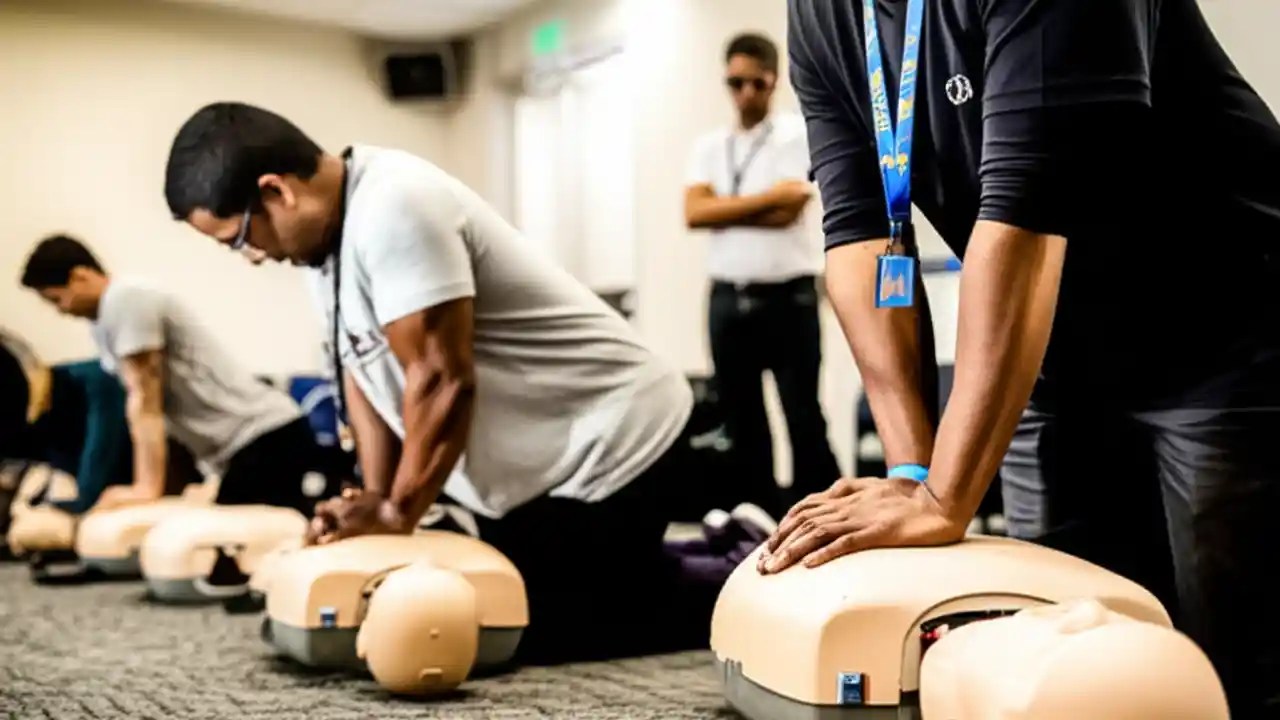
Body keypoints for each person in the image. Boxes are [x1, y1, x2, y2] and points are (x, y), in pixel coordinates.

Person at [769, 1, 1280, 717]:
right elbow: (858, 241)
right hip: (1053, 356)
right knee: (1066, 649)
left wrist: (946, 498)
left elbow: (1026, 220)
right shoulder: (822, 11)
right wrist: (915, 474)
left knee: (1234, 663)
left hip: (1223, 333)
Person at [163, 101, 771, 664]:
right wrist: (375, 502)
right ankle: (721, 541)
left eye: (240, 239)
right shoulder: (325, 252)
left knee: (530, 625)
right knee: (502, 585)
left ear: (277, 192)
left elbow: (442, 380)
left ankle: (750, 570)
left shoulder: (395, 205)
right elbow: (363, 378)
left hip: (618, 435)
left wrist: (399, 511)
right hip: (546, 464)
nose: (251, 257)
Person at [20, 236, 344, 515]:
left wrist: (146, 488)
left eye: (56, 299)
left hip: (265, 435)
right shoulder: (102, 321)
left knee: (235, 540)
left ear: (80, 276)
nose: (60, 310)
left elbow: (145, 400)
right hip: (243, 446)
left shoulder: (125, 299)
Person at [684, 32, 841, 518]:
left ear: (773, 82)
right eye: (736, 83)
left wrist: (723, 208)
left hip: (788, 301)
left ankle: (822, 517)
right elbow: (693, 213)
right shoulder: (711, 146)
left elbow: (790, 209)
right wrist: (761, 201)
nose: (746, 93)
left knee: (802, 416)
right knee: (742, 419)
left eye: (757, 82)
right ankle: (756, 524)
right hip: (728, 300)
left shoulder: (795, 133)